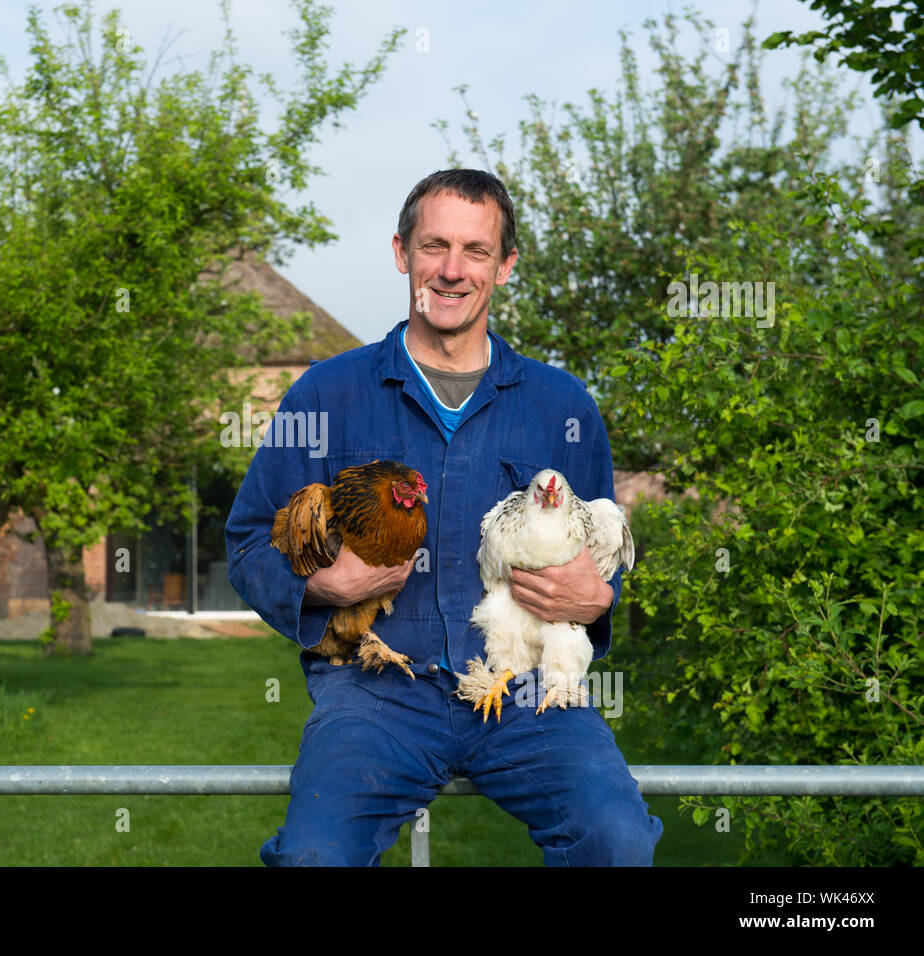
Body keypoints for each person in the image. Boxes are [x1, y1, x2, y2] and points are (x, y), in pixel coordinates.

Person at [224, 168, 663, 866]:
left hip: (526, 690)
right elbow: (247, 543)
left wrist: (598, 600)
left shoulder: (561, 406)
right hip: (375, 693)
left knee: (616, 838)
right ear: (402, 253)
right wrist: (319, 587)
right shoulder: (327, 393)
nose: (452, 271)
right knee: (314, 855)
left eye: (476, 251)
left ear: (505, 265)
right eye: (434, 247)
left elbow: (601, 563)